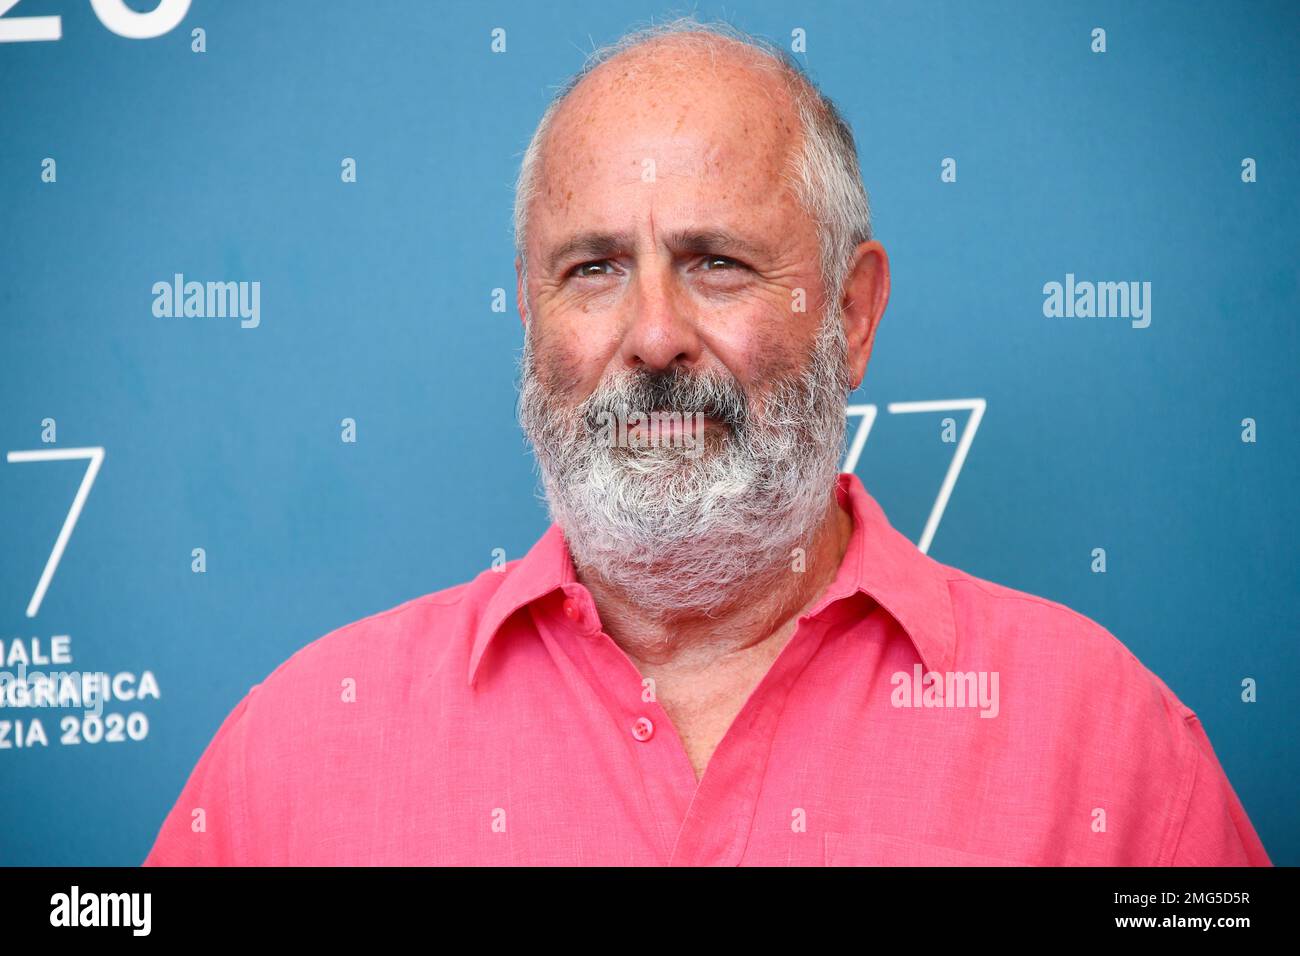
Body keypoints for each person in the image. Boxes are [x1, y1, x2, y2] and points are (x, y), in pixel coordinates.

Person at [143, 18, 1270, 866]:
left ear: (851, 314)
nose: (652, 336)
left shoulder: (1109, 749)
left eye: (716, 262)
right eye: (592, 269)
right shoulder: (294, 760)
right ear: (530, 318)